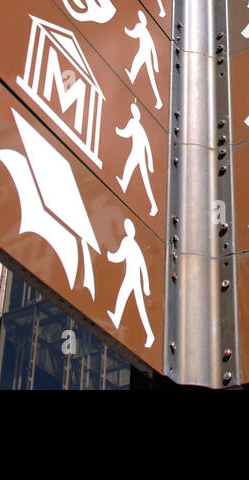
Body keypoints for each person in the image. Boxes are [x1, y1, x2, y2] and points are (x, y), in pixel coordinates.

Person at [107, 219, 154, 348]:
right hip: (133, 277)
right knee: (128, 299)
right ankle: (117, 318)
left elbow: (119, 256)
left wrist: (109, 256)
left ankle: (150, 334)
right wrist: (146, 286)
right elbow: (143, 266)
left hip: (132, 277)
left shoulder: (128, 242)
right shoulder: (134, 245)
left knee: (140, 307)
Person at [115, 104, 157, 216]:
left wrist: (118, 131)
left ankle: (154, 205)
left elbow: (126, 133)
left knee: (144, 180)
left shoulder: (133, 123)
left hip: (137, 153)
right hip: (139, 154)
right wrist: (150, 163)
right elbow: (147, 146)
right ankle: (124, 184)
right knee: (142, 178)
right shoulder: (139, 126)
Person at [124, 11, 163, 109]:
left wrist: (126, 30)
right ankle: (159, 100)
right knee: (147, 74)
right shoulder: (144, 29)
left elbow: (134, 35)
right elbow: (153, 48)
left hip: (144, 53)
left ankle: (159, 100)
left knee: (151, 77)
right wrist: (155, 63)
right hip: (144, 53)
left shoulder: (141, 27)